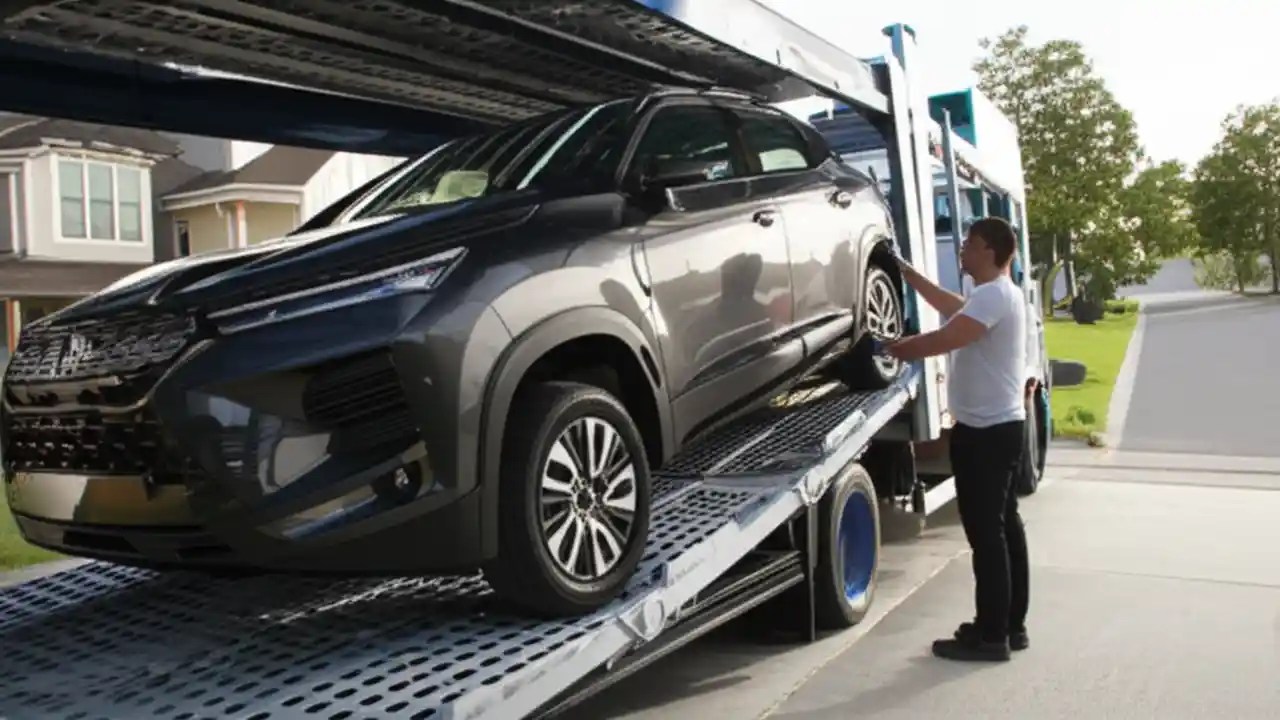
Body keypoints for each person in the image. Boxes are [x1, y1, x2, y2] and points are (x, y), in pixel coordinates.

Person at [882, 216, 1029, 662]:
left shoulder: (994, 294)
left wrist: (888, 348)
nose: (962, 250)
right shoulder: (995, 295)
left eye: (969, 244)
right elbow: (951, 307)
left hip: (986, 434)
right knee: (1004, 529)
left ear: (990, 251)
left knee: (987, 536)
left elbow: (949, 336)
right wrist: (907, 273)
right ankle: (1009, 626)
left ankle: (991, 636)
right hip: (997, 428)